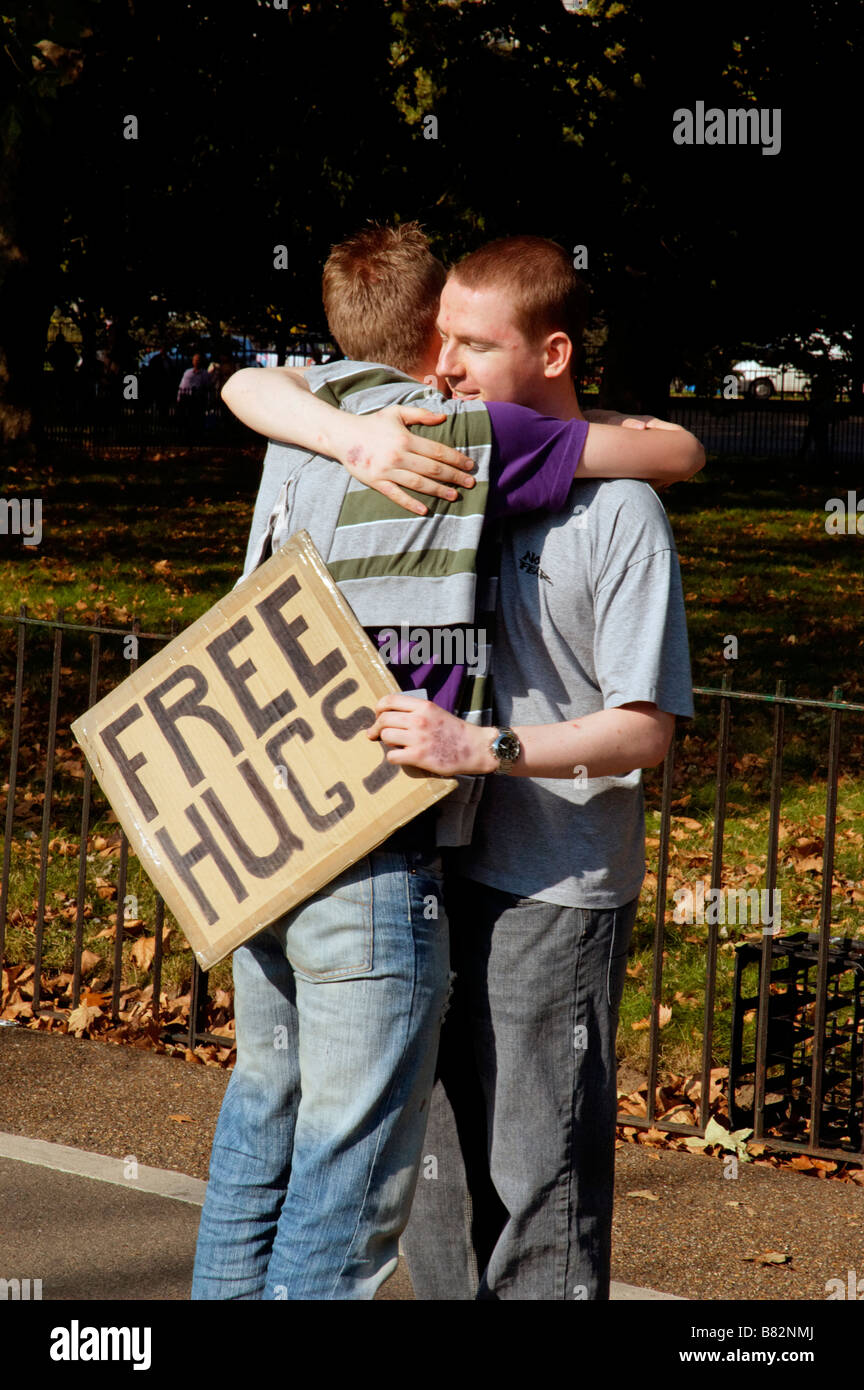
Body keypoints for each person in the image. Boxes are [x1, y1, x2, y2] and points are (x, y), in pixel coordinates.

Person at [194, 224, 701, 1301]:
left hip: (511, 873)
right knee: (404, 1177)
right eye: (443, 342)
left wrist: (487, 748)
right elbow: (678, 446)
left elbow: (647, 728)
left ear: (550, 354)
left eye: (472, 345)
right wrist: (363, 439)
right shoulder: (441, 438)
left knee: (521, 1184)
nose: (446, 367)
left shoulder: (610, 511)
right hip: (412, 859)